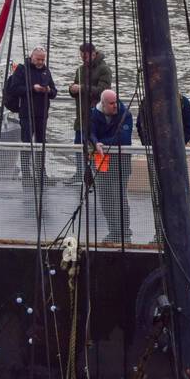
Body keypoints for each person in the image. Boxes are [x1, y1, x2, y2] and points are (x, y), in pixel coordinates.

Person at [4, 46, 57, 190]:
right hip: (26, 112)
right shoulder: (22, 70)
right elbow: (14, 89)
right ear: (31, 57)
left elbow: (54, 91)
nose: (40, 62)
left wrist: (48, 90)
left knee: (41, 144)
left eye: (42, 59)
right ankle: (26, 176)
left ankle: (42, 174)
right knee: (27, 143)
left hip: (42, 113)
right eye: (38, 59)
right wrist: (32, 88)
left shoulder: (46, 71)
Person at [90, 89, 133, 243]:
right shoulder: (94, 113)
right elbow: (88, 132)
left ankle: (124, 232)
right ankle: (113, 230)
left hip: (120, 161)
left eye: (116, 102)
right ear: (103, 104)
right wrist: (95, 142)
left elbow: (124, 138)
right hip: (102, 162)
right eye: (111, 104)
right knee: (105, 198)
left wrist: (102, 143)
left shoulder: (125, 114)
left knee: (119, 197)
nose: (115, 106)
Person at [67, 43, 112, 183]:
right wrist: (72, 89)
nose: (83, 59)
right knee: (78, 145)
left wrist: (81, 87)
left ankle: (95, 176)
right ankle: (79, 174)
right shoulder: (80, 70)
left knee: (94, 146)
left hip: (95, 115)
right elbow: (76, 89)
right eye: (81, 57)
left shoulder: (104, 69)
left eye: (85, 56)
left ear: (93, 53)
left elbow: (103, 91)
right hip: (81, 115)